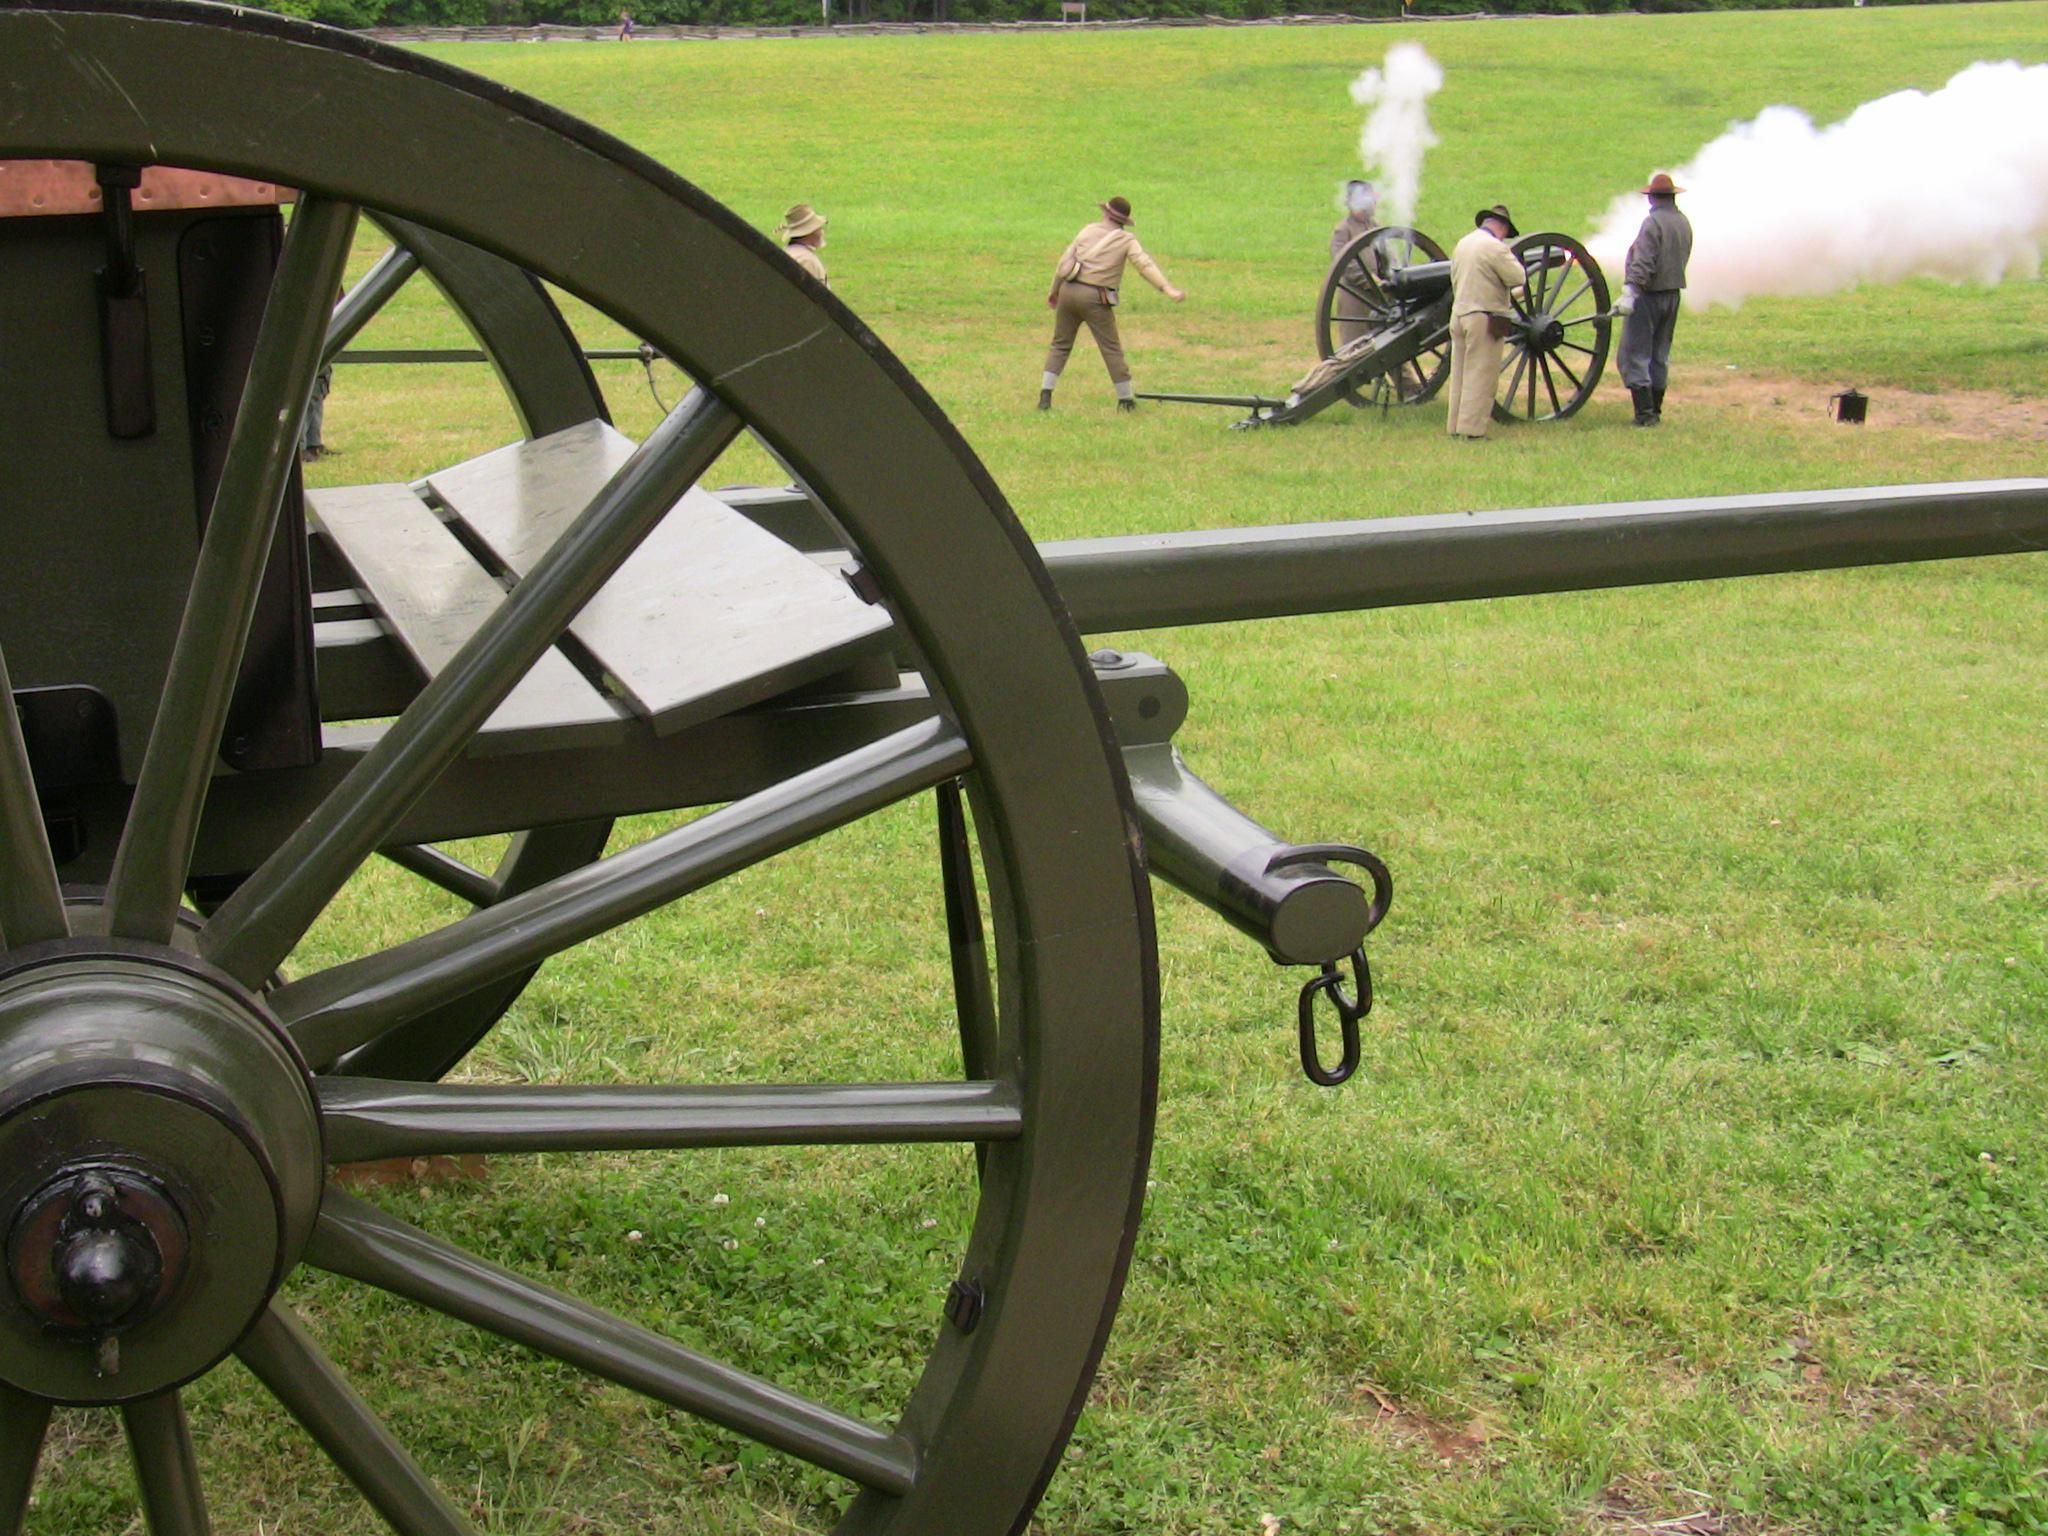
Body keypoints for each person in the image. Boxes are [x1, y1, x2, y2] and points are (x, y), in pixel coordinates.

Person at [1039, 196, 1185, 413]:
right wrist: (1166, 288)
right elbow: (1144, 265)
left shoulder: (1087, 230)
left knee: (1060, 344)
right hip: (1096, 298)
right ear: (1124, 220)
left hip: (1069, 291)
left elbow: (1063, 263)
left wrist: (1054, 291)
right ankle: (1125, 400)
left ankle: (1045, 395)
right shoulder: (1126, 240)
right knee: (1111, 348)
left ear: (1106, 213)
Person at [1613, 172, 1693, 427]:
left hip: (1648, 296)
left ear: (1652, 199)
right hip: (1672, 295)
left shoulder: (1653, 224)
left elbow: (1644, 261)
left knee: (1635, 354)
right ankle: (1654, 411)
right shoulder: (1683, 223)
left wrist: (1630, 292)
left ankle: (1645, 416)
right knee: (1659, 354)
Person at [1444, 204, 1525, 440]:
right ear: (1501, 227)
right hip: (1483, 318)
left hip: (1458, 315)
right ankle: (1473, 431)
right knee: (1481, 375)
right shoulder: (1495, 247)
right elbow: (1518, 277)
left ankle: (1455, 426)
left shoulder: (1463, 243)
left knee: (1460, 373)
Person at [775, 203, 829, 288]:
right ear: (811, 231)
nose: (822, 231)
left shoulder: (788, 252)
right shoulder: (807, 260)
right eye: (819, 228)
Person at [1329, 178, 1379, 267]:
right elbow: (1342, 263)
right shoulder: (1343, 229)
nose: (1364, 210)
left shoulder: (1374, 225)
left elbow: (1387, 252)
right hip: (1354, 280)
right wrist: (1369, 277)